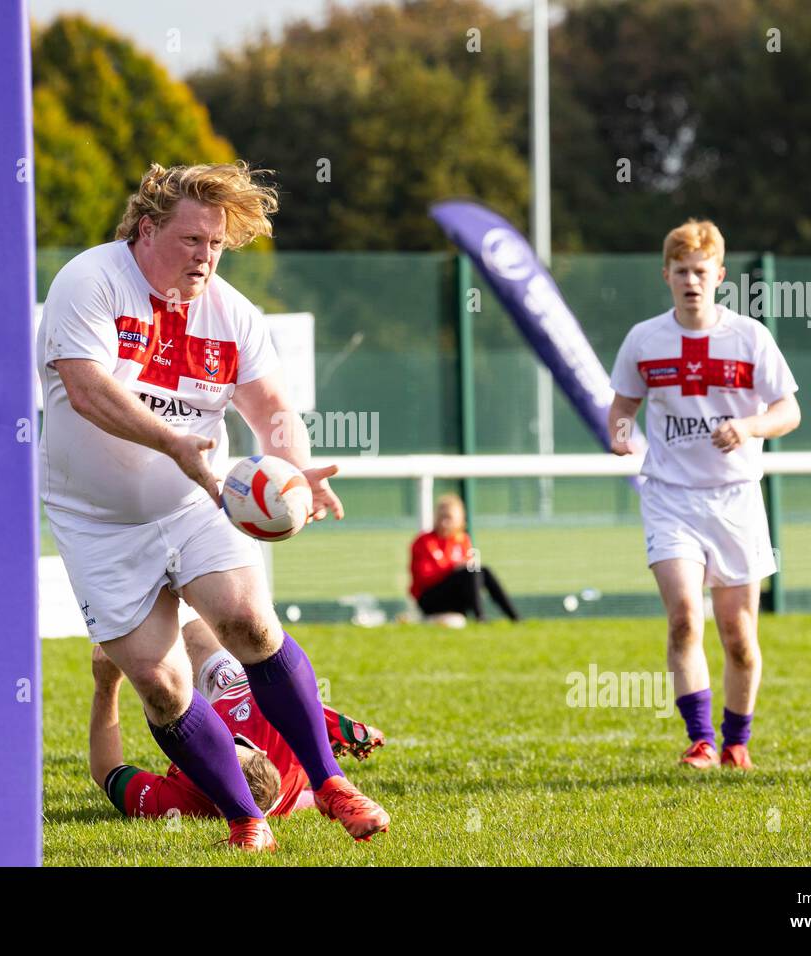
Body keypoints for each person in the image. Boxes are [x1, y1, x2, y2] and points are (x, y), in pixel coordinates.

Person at [38, 161, 389, 851]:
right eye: (193, 240)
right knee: (161, 687)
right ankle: (244, 819)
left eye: (217, 245)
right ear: (147, 230)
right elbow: (87, 389)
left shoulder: (233, 314)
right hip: (97, 523)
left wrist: (295, 468)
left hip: (196, 503)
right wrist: (174, 442)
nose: (206, 257)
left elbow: (273, 410)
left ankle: (329, 785)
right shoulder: (93, 279)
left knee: (250, 624)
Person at [608, 219, 800, 770]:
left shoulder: (750, 337)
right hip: (670, 498)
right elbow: (622, 408)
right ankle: (700, 740)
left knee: (739, 636)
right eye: (681, 272)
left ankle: (737, 740)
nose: (692, 281)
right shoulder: (645, 339)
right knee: (686, 616)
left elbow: (789, 410)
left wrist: (750, 428)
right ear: (665, 275)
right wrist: (621, 436)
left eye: (701, 271)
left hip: (736, 498)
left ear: (719, 275)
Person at [91, 603, 385, 824]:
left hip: (274, 787)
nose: (215, 746)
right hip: (236, 687)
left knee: (175, 662)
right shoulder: (280, 736)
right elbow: (308, 708)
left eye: (217, 759)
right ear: (258, 752)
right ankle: (298, 801)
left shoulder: (180, 802)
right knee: (196, 633)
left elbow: (106, 771)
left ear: (216, 796)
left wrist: (106, 684)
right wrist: (347, 728)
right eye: (232, 746)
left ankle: (294, 802)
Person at [408, 493, 519, 624]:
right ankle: (480, 618)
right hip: (431, 599)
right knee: (470, 572)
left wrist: (462, 569)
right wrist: (453, 568)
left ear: (459, 520)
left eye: (449, 518)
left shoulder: (462, 540)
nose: (444, 522)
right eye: (441, 517)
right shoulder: (424, 541)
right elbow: (423, 578)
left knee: (482, 570)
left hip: (457, 596)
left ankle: (515, 617)